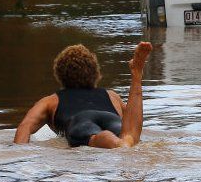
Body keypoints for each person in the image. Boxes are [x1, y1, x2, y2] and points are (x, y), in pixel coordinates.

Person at [14, 41, 152, 148]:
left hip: (80, 121)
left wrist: (19, 153)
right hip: (111, 118)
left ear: (60, 74)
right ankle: (136, 76)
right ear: (94, 72)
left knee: (95, 138)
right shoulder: (111, 95)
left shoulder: (51, 100)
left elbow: (25, 127)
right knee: (128, 134)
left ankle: (116, 143)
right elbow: (131, 120)